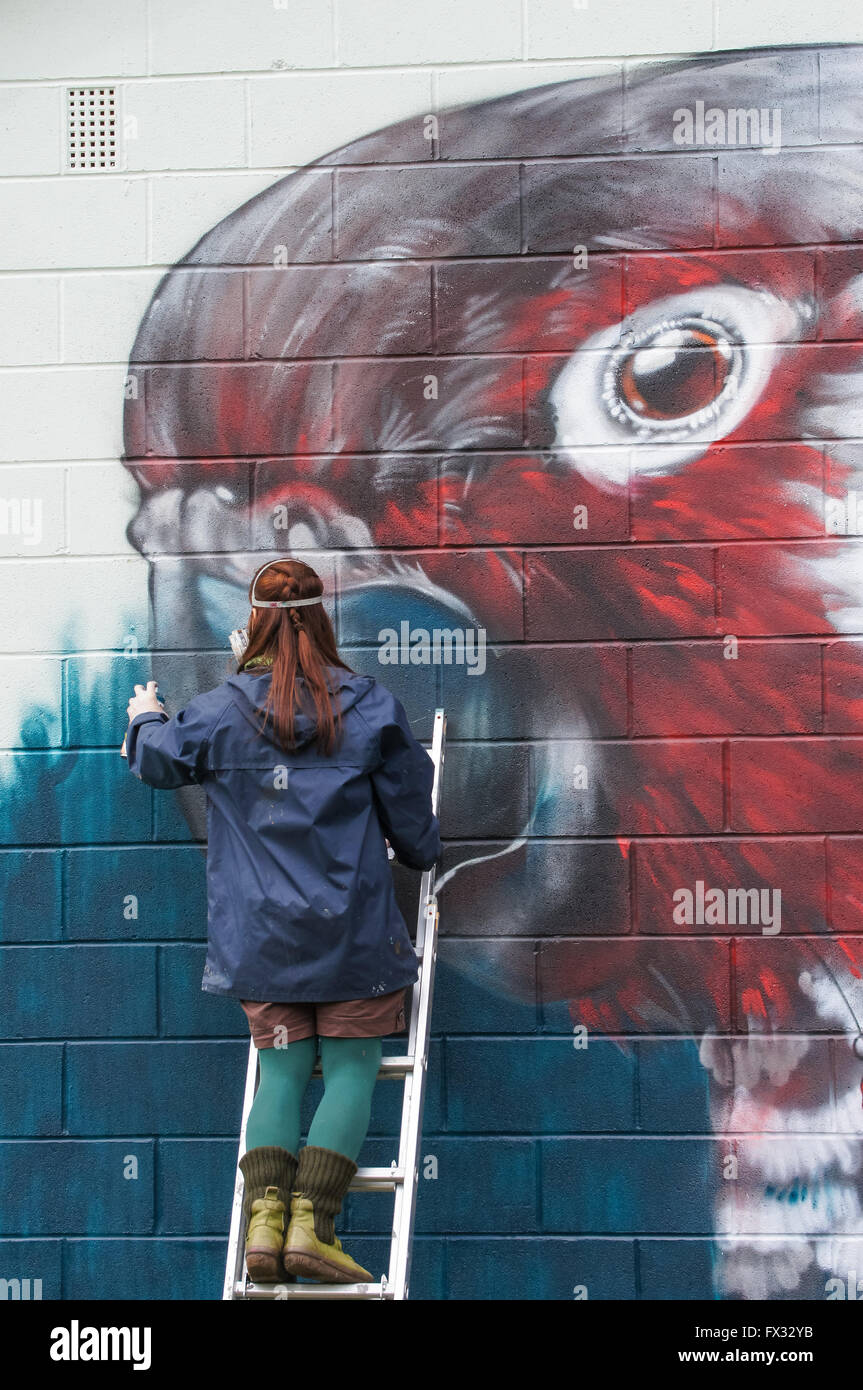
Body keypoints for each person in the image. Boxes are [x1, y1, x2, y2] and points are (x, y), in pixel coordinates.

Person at [122, 557, 441, 1284]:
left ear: (253, 625)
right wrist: (422, 852)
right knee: (354, 1069)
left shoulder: (217, 710)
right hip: (355, 937)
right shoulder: (367, 706)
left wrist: (145, 714)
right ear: (322, 620)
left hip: (261, 944)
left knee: (281, 1074)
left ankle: (263, 1225)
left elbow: (158, 759)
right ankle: (312, 1226)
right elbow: (413, 829)